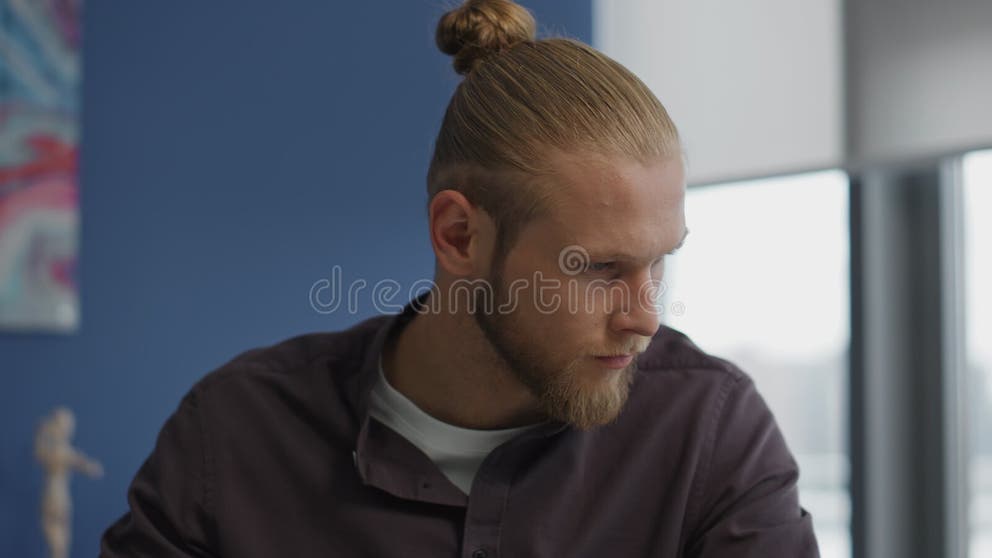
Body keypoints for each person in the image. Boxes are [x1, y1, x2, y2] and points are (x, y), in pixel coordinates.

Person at [100, 1, 820, 556]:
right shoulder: (233, 436)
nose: (646, 316)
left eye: (659, 260)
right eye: (599, 267)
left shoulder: (712, 435)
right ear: (459, 237)